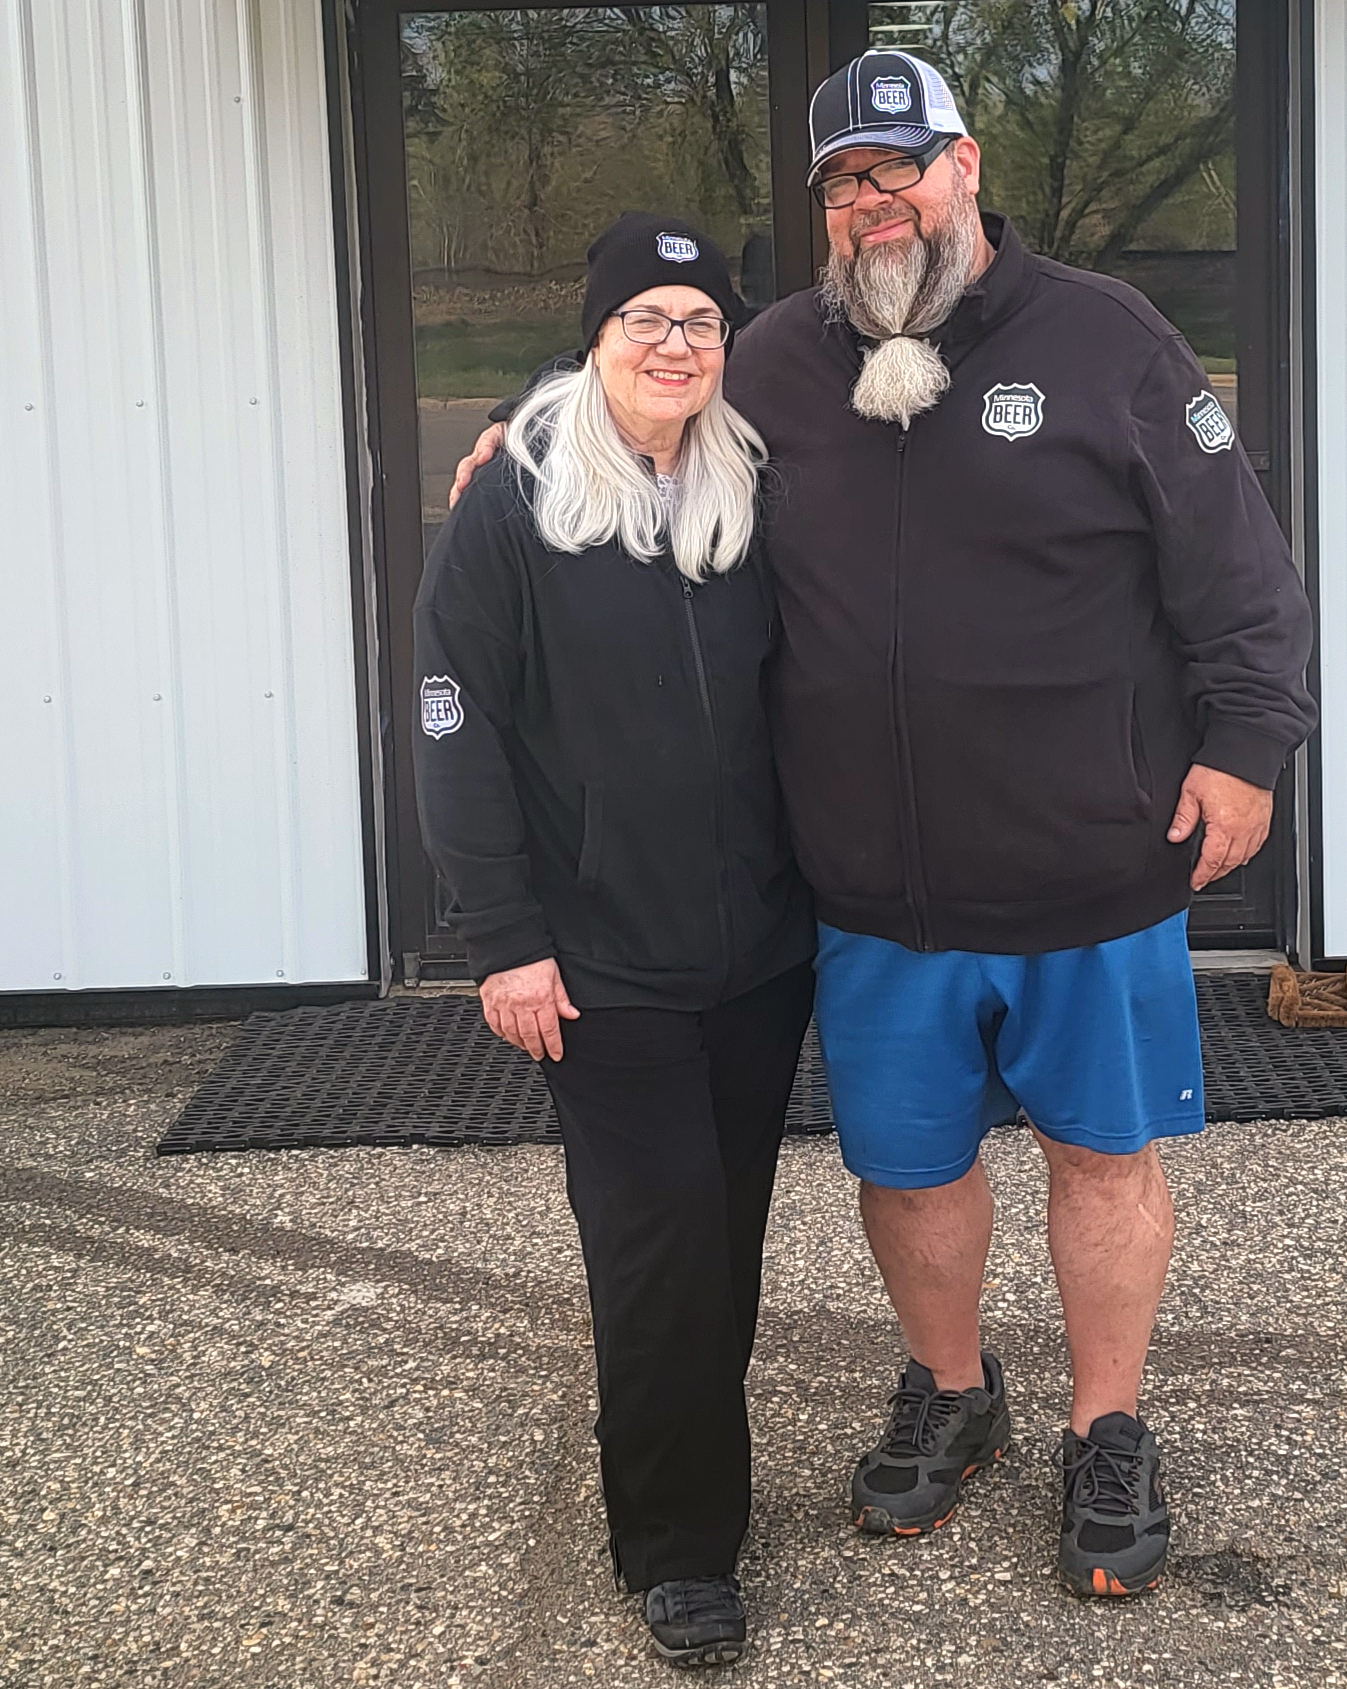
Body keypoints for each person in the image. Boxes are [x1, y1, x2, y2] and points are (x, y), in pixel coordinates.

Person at [451, 51, 1316, 1599]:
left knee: (1102, 1159)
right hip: (870, 894)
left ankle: (1109, 1426)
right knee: (910, 1173)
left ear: (965, 166)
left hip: (1090, 870)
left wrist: (1248, 749)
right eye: (844, 182)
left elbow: (1240, 570)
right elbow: (646, 372)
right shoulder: (780, 358)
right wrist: (523, 428)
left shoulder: (1109, 338)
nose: (873, 204)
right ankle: (953, 1391)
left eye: (897, 167)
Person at [412, 212, 813, 1667]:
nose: (673, 345)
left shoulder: (756, 481)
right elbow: (454, 722)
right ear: (594, 336)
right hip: (596, 964)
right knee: (658, 1250)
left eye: (700, 322)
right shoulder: (516, 498)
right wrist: (502, 939)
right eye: (643, 318)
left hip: (759, 957)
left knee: (726, 1239)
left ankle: (680, 1461)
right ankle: (679, 1546)